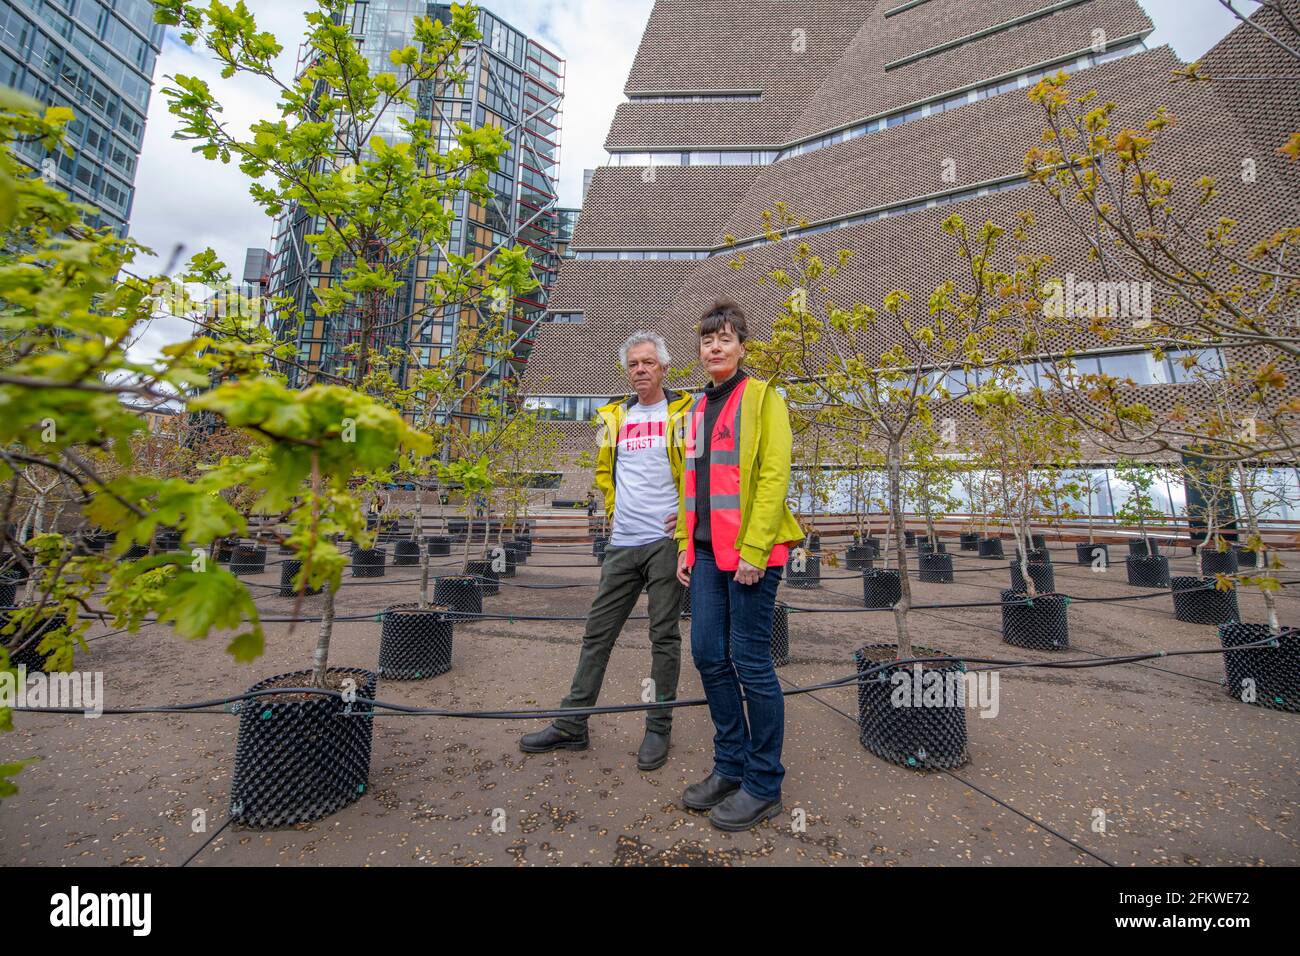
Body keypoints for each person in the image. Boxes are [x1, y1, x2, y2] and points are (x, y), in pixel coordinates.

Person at [520, 332, 694, 771]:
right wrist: (615, 511)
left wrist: (690, 520)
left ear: (664, 368)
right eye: (634, 363)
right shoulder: (613, 416)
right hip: (622, 543)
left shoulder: (686, 413)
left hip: (665, 543)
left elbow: (699, 471)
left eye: (648, 362)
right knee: (597, 633)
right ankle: (573, 723)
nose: (640, 370)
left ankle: (658, 728)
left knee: (663, 637)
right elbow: (605, 469)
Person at [675, 298, 804, 831]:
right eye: (707, 340)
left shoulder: (763, 398)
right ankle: (729, 766)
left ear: (741, 346)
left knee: (750, 662)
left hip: (753, 555)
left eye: (725, 338)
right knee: (707, 653)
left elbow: (774, 476)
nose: (715, 347)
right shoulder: (696, 409)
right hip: (705, 553)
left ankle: (763, 781)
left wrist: (753, 551)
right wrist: (685, 542)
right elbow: (691, 483)